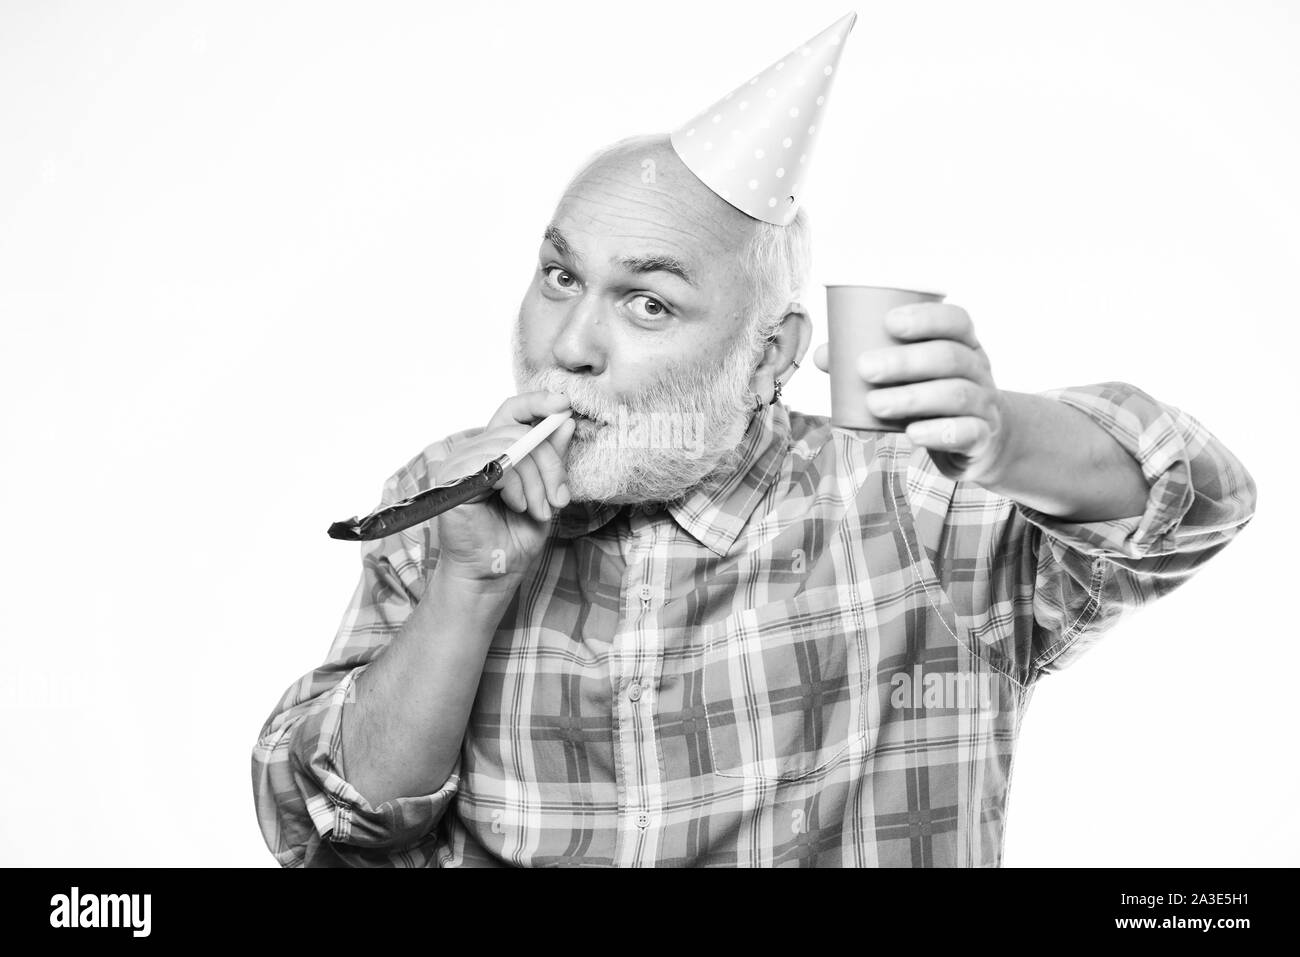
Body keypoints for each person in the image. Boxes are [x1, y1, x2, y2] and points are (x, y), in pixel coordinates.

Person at [251, 13, 1257, 865]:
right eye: (561, 277)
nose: (568, 346)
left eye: (646, 303)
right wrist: (464, 592)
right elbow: (323, 830)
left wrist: (1000, 437)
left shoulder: (911, 509)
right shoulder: (446, 503)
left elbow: (1195, 501)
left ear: (770, 353)